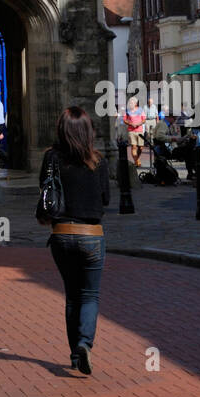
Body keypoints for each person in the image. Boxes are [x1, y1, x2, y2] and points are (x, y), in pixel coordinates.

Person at [38, 107, 109, 375]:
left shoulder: (51, 158)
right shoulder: (97, 160)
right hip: (91, 235)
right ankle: (84, 344)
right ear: (88, 132)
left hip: (61, 234)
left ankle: (74, 356)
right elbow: (106, 199)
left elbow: (44, 189)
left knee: (71, 297)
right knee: (89, 295)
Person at [121, 96, 147, 171]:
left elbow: (144, 119)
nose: (130, 104)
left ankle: (136, 159)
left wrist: (139, 123)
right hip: (131, 131)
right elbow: (124, 120)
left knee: (141, 147)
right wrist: (130, 123)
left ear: (135, 103)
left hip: (139, 130)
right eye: (130, 102)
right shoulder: (128, 111)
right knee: (134, 147)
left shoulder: (140, 110)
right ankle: (137, 161)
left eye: (131, 102)